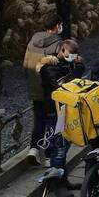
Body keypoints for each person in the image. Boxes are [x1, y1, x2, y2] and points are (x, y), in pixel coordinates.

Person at [38, 38, 84, 197]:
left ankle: (63, 179)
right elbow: (65, 86)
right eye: (71, 53)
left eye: (76, 54)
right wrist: (78, 69)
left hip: (64, 110)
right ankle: (55, 184)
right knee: (58, 147)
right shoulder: (50, 67)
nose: (74, 56)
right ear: (62, 50)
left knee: (64, 146)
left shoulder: (65, 64)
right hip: (53, 112)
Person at [24, 17, 65, 164]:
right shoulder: (58, 43)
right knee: (52, 122)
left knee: (39, 120)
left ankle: (33, 149)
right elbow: (60, 67)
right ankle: (49, 155)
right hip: (50, 89)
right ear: (56, 25)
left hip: (35, 88)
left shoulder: (32, 41)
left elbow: (25, 64)